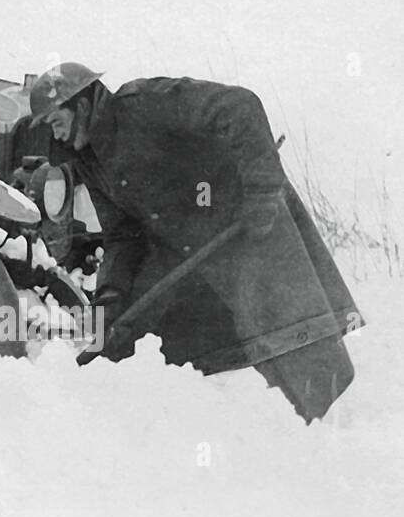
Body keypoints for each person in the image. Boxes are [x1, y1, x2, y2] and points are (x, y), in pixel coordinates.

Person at [28, 62, 362, 421]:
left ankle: (332, 430)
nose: (57, 135)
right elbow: (123, 235)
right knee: (125, 333)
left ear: (82, 103)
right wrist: (110, 295)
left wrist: (262, 191)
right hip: (181, 249)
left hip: (246, 227)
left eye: (56, 121)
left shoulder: (145, 104)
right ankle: (172, 428)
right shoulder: (91, 162)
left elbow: (240, 105)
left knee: (287, 331)